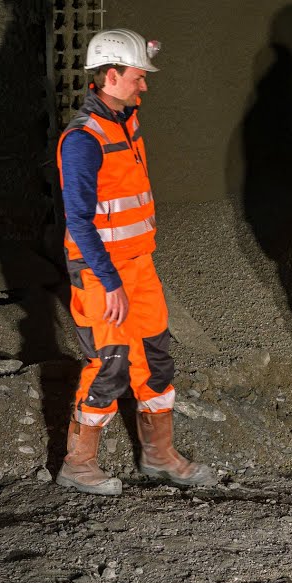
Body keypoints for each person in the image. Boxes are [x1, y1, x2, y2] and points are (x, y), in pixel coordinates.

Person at [55, 28, 216, 495]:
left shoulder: (125, 123)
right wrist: (109, 282)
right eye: (137, 77)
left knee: (155, 357)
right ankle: (77, 463)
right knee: (110, 362)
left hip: (139, 264)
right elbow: (80, 222)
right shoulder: (83, 139)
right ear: (110, 76)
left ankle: (159, 455)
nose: (144, 86)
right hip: (99, 270)